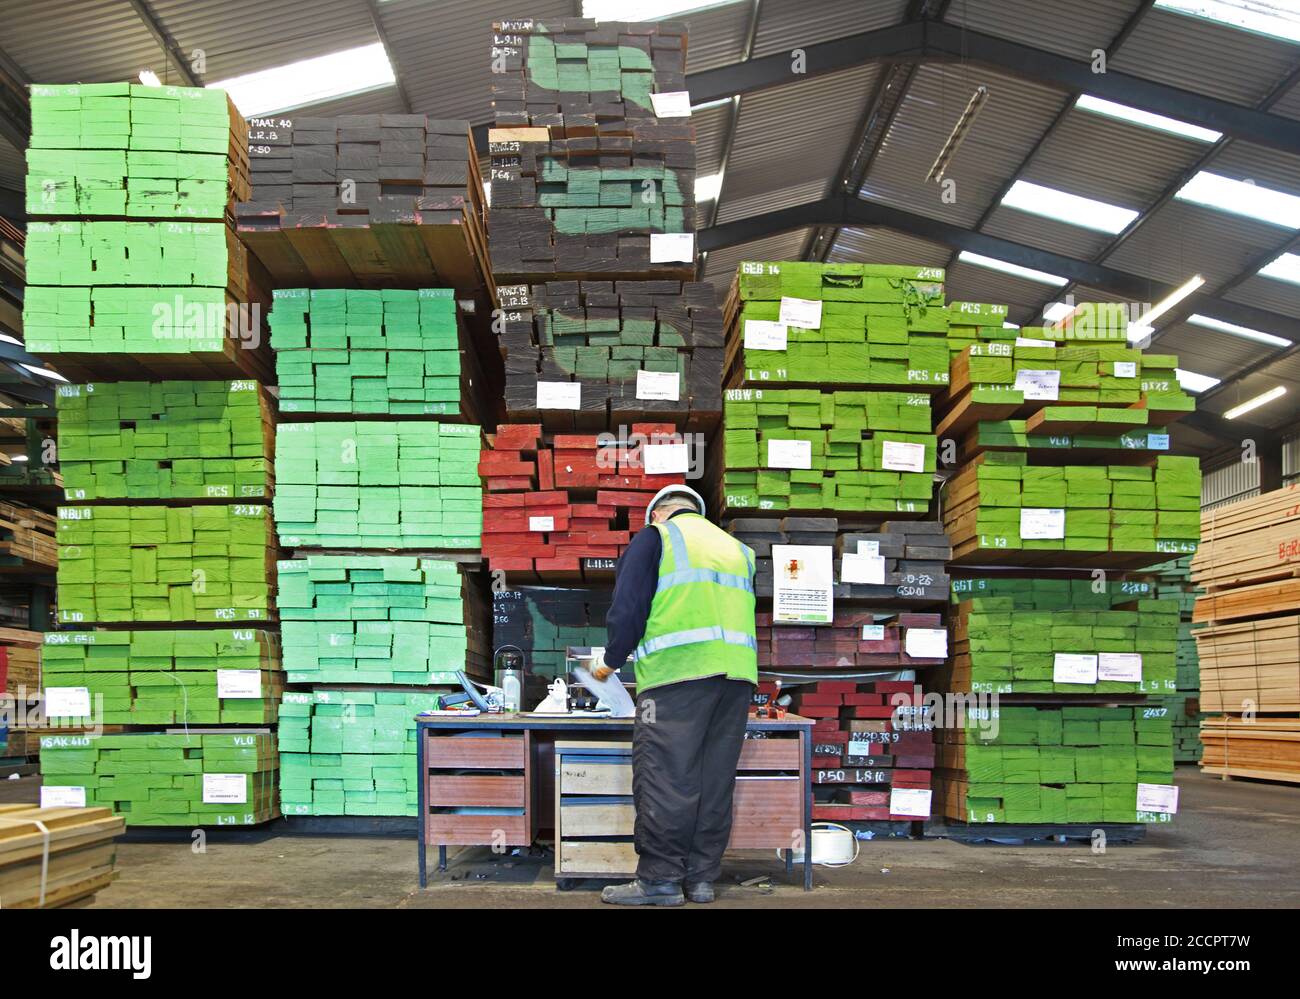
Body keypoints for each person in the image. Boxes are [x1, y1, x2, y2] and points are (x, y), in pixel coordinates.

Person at [591, 483, 758, 906]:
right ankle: (700, 879)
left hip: (675, 677)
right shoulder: (738, 550)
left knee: (665, 778)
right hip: (737, 678)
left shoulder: (657, 537)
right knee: (713, 780)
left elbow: (629, 607)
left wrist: (608, 662)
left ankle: (660, 882)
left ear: (658, 513)